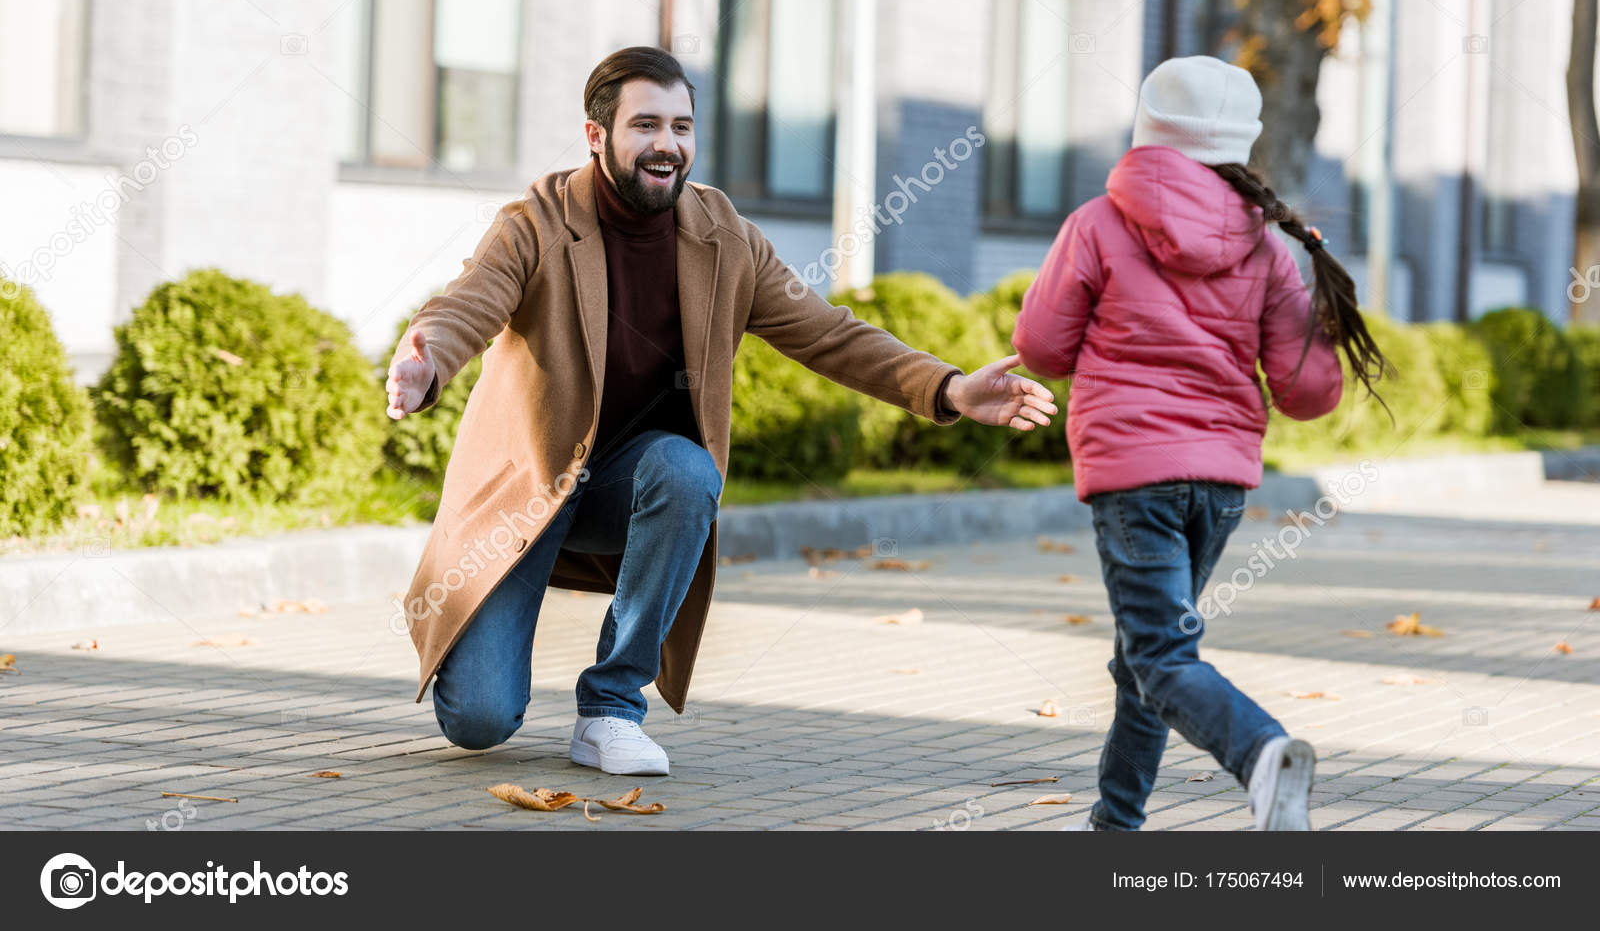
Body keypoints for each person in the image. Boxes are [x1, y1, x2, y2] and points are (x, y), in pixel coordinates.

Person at [386, 46, 1058, 775]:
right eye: (645, 125)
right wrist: (428, 358)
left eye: (681, 126)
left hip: (635, 485)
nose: (666, 145)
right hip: (529, 492)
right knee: (479, 722)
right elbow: (471, 300)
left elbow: (829, 333)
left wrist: (948, 388)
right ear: (595, 135)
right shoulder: (539, 221)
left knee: (687, 469)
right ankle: (481, 630)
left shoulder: (722, 234)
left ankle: (611, 708)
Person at [1012, 55, 1389, 831]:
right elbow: (1306, 393)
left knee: (1159, 658)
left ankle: (1263, 756)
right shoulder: (1266, 248)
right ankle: (1115, 827)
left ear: (1148, 131)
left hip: (1132, 476)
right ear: (1237, 144)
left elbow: (1043, 348)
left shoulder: (1098, 223)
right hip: (1219, 486)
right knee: (1144, 657)